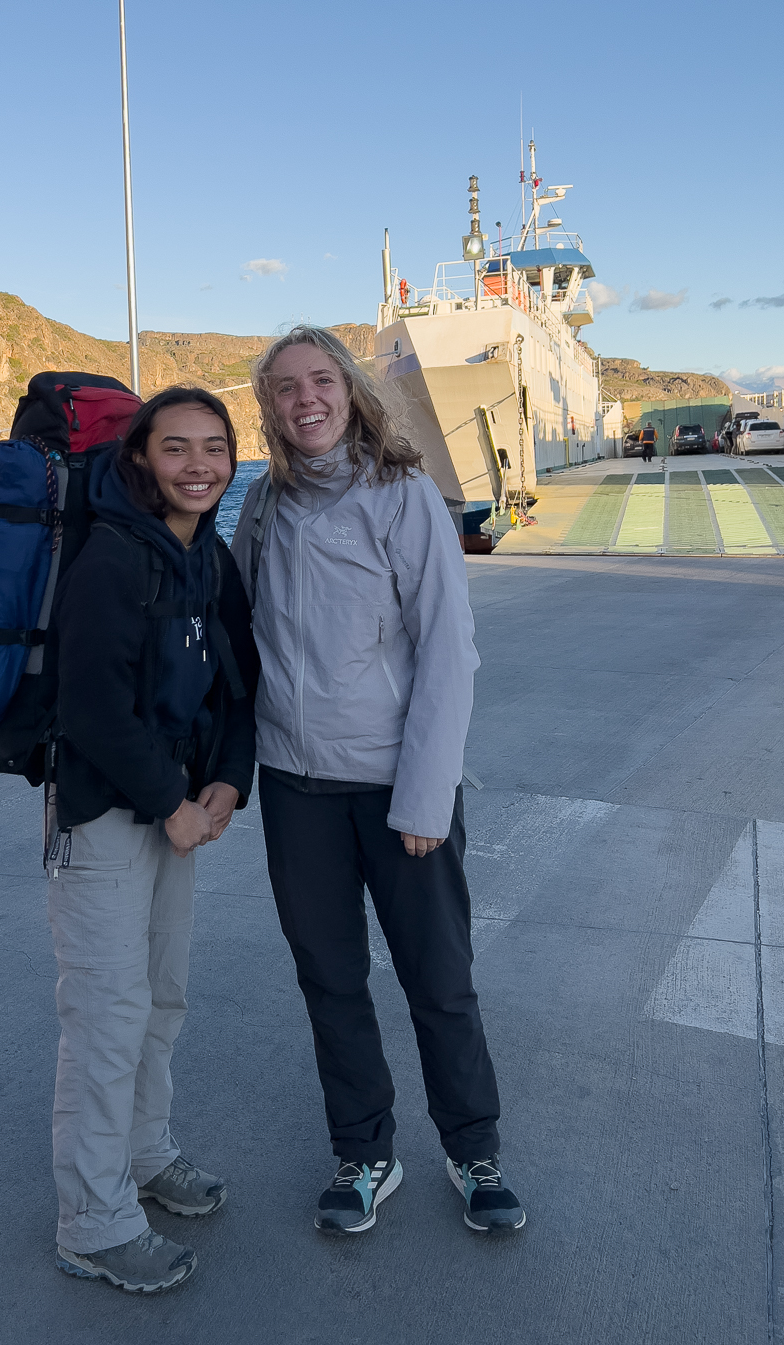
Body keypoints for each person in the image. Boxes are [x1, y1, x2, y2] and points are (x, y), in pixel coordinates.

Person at [231, 326, 525, 1237]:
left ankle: (473, 1146)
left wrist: (427, 795)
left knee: (439, 978)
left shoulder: (402, 497)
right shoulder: (265, 506)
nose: (304, 399)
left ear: (353, 390)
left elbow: (448, 652)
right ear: (270, 408)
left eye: (321, 380)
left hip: (400, 789)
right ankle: (364, 1153)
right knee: (331, 977)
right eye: (284, 388)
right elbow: (234, 640)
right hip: (296, 787)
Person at [46, 386, 257, 1294]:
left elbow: (240, 683)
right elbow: (88, 704)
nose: (199, 466)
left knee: (161, 997)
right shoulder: (111, 557)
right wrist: (172, 798)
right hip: (103, 813)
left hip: (176, 809)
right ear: (140, 458)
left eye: (214, 448)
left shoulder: (206, 555)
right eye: (177, 448)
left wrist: (227, 780)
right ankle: (91, 1220)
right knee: (106, 1015)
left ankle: (143, 1153)